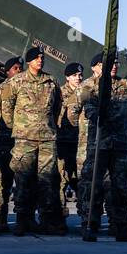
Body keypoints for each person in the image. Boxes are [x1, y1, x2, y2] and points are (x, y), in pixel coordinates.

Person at [70, 57, 127, 242]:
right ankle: (89, 224)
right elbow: (89, 111)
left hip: (120, 144)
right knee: (92, 185)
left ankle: (121, 227)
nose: (114, 66)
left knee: (119, 186)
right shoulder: (89, 86)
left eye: (117, 63)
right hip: (98, 144)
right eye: (110, 63)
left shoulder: (126, 86)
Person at [0, 47, 63, 236]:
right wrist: (18, 127)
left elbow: (57, 107)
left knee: (47, 181)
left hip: (46, 139)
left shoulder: (51, 81)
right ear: (29, 61)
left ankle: (45, 219)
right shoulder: (17, 82)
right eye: (36, 58)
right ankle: (22, 219)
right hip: (24, 139)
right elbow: (7, 108)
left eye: (42, 58)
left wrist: (50, 126)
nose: (40, 60)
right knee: (23, 180)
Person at [0, 56, 22, 231]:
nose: (19, 71)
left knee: (24, 181)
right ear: (7, 71)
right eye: (15, 68)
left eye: (20, 68)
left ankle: (24, 218)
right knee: (2, 181)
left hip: (23, 140)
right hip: (3, 140)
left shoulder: (26, 88)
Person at [57, 63, 82, 221]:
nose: (78, 78)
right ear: (67, 77)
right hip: (63, 142)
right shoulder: (59, 94)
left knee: (81, 181)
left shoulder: (85, 92)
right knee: (61, 181)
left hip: (81, 143)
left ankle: (87, 219)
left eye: (80, 75)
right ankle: (59, 219)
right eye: (74, 75)